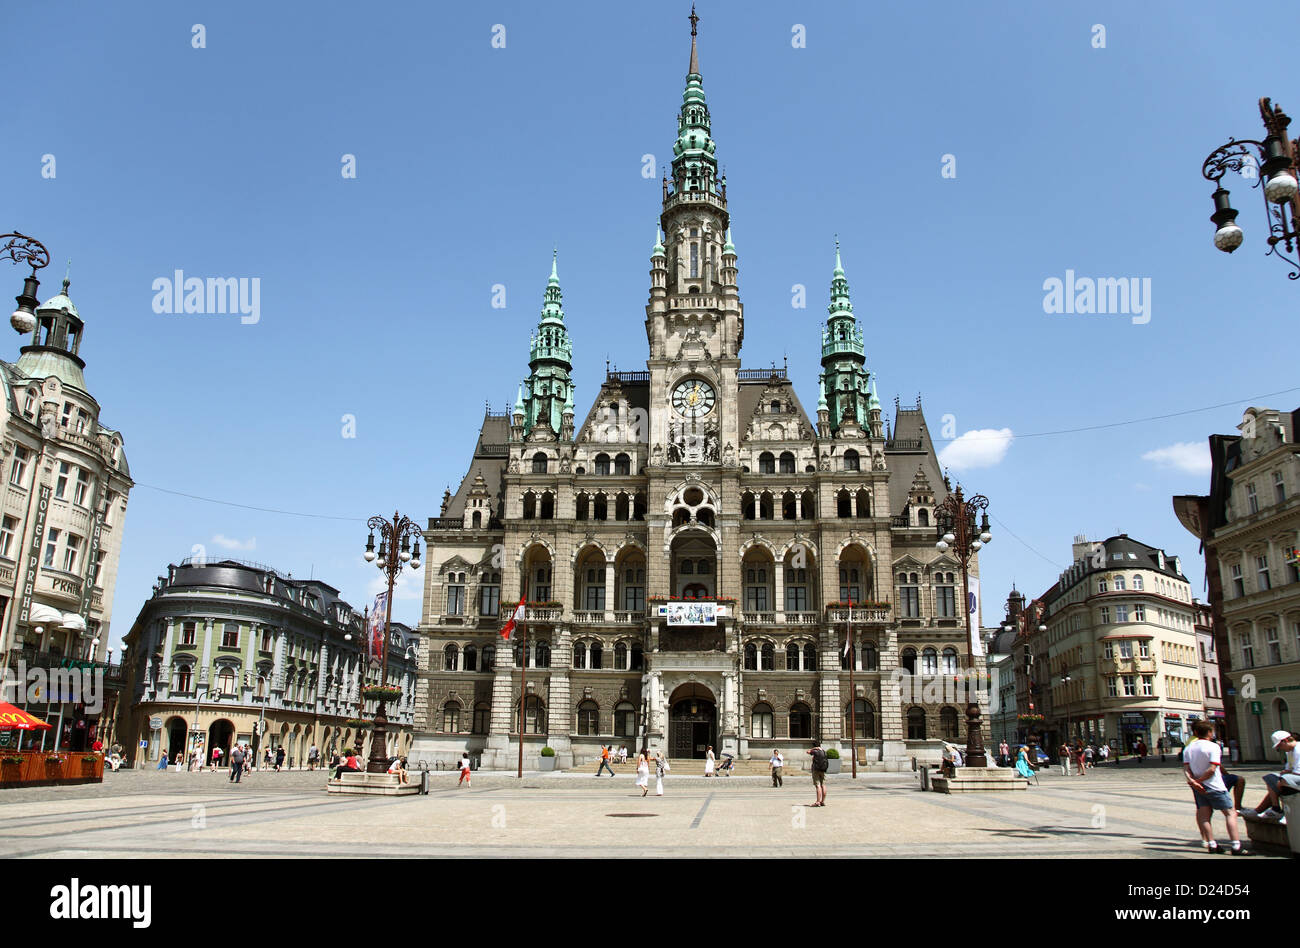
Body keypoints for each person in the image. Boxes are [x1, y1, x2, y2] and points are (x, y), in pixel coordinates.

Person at [1183, 720, 1250, 855]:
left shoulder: (1188, 748)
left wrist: (1193, 782)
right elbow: (1212, 769)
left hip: (1198, 788)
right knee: (1230, 813)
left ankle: (1212, 844)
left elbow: (1186, 768)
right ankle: (1236, 846)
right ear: (1210, 732)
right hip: (1215, 786)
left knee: (1204, 816)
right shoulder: (1213, 747)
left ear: (1196, 733)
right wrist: (1200, 780)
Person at [1242, 730, 1299, 821]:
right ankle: (1275, 809)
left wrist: (1284, 776)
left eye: (1280, 745)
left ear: (1285, 741)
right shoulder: (1290, 752)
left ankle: (1278, 811)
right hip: (1293, 777)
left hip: (1295, 777)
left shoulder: (1298, 750)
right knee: (1271, 779)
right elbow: (1289, 768)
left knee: (1281, 782)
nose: (1280, 748)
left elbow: (1297, 772)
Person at [807, 740, 828, 806]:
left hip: (816, 769)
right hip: (823, 769)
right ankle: (823, 801)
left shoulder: (815, 751)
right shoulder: (823, 751)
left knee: (818, 785)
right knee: (823, 785)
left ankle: (818, 802)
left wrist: (813, 748)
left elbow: (807, 752)